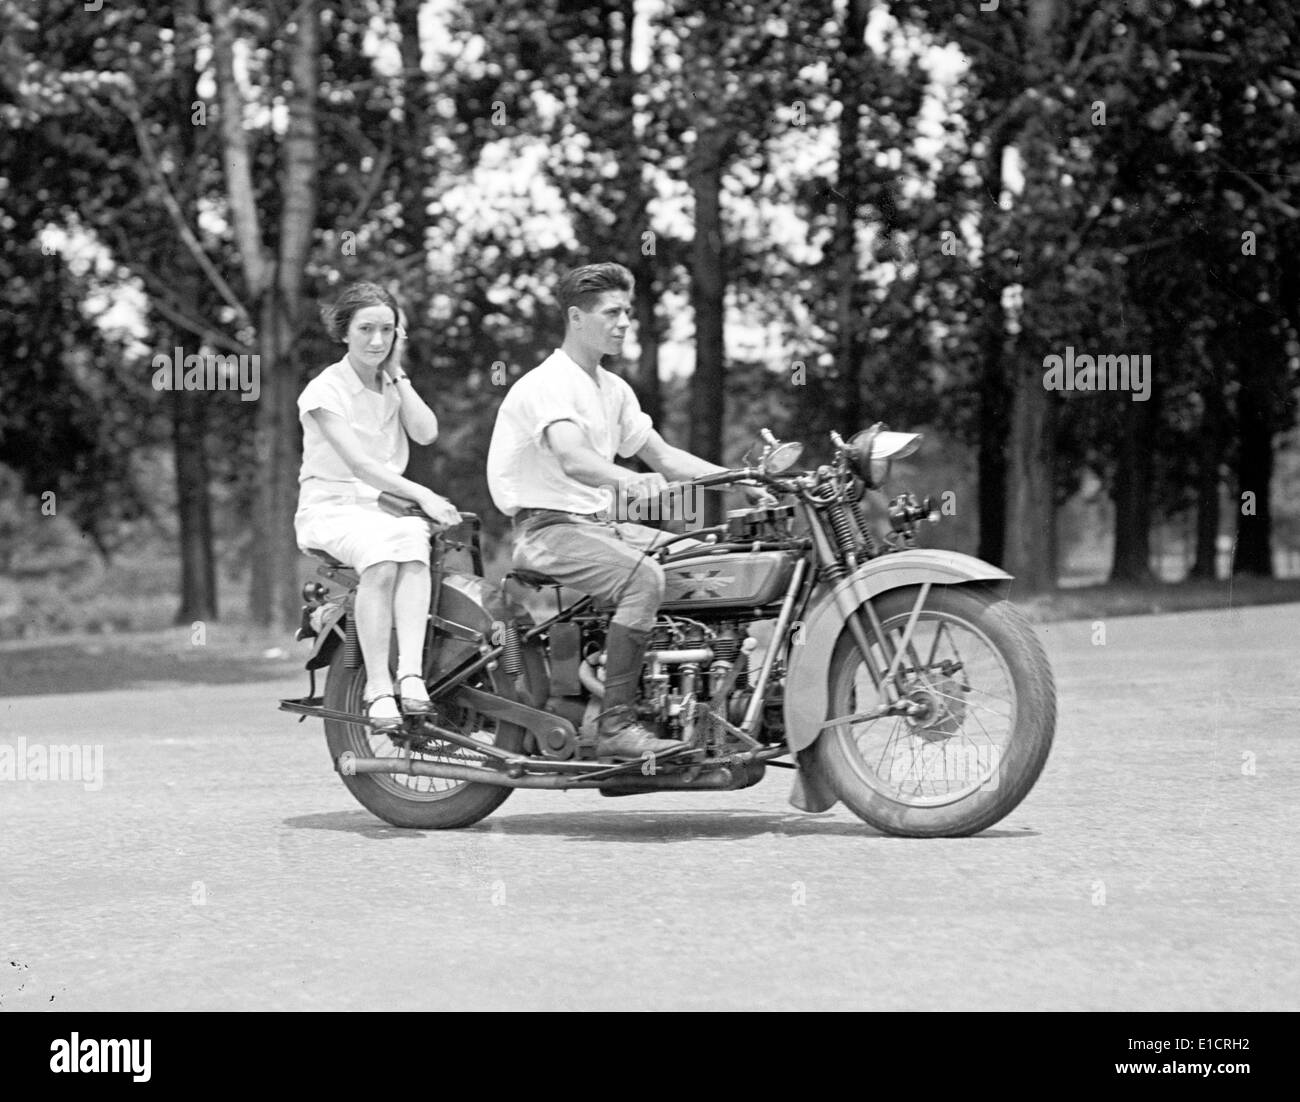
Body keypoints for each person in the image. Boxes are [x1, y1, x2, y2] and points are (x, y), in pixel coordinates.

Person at [487, 261, 757, 760]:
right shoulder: (547, 384)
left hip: (600, 527)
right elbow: (572, 457)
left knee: (712, 565)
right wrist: (629, 480)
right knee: (644, 579)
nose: (624, 322)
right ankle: (616, 724)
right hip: (547, 529)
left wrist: (743, 480)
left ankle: (688, 697)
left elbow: (666, 457)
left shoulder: (613, 389)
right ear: (576, 318)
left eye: (627, 312)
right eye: (612, 312)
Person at [295, 282, 461, 731]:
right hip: (330, 507)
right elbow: (361, 465)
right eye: (365, 329)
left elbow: (426, 432)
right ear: (343, 332)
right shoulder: (324, 390)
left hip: (381, 509)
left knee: (413, 541)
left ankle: (410, 675)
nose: (376, 341)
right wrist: (422, 494)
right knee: (384, 558)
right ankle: (377, 686)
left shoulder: (391, 384)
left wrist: (399, 373)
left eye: (387, 330)